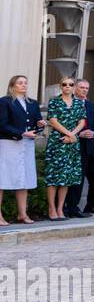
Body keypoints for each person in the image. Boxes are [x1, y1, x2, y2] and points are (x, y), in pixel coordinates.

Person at [0, 75, 44, 225]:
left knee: (24, 179)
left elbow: (37, 123)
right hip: (8, 144)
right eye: (20, 83)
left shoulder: (32, 103)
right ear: (12, 85)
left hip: (27, 145)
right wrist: (21, 133)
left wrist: (40, 124)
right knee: (3, 179)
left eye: (25, 82)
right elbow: (2, 124)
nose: (23, 85)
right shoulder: (5, 101)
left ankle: (22, 214)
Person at [42, 77, 86, 222]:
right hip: (57, 142)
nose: (68, 86)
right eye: (64, 84)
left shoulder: (79, 102)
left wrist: (72, 135)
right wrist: (68, 134)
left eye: (71, 84)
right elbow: (53, 121)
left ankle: (60, 208)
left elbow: (82, 122)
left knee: (67, 178)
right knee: (54, 178)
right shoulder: (54, 101)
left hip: (72, 143)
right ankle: (51, 208)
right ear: (61, 86)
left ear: (74, 87)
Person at [65, 78, 94, 218]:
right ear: (75, 88)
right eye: (82, 87)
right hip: (76, 146)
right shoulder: (68, 103)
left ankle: (91, 206)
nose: (84, 90)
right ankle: (73, 208)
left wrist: (93, 132)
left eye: (87, 88)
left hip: (92, 148)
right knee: (77, 179)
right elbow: (65, 124)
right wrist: (79, 134)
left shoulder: (91, 105)